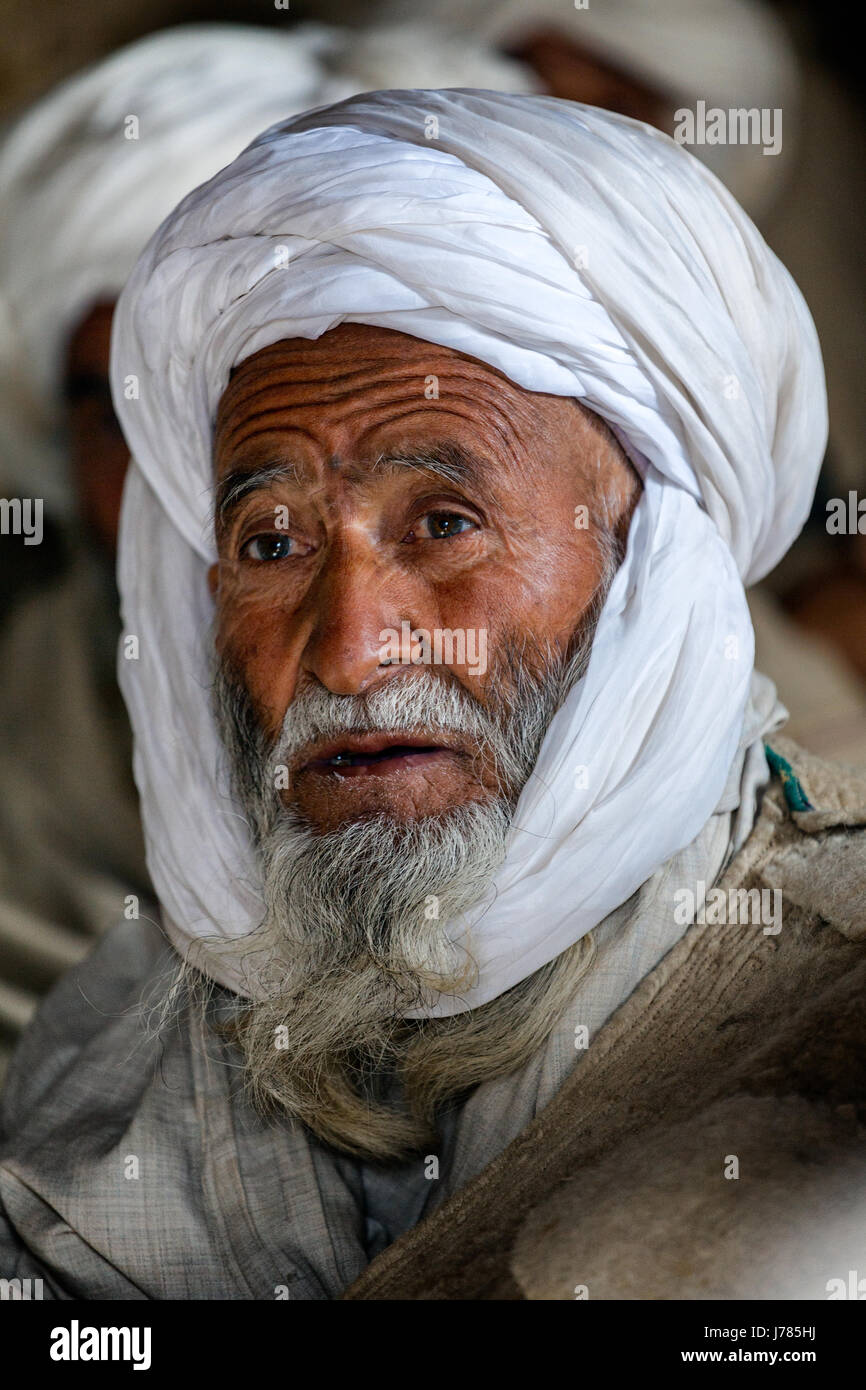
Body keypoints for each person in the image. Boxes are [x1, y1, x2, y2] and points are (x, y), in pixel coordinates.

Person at [2, 86, 865, 1302]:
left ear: (652, 570)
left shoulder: (830, 999)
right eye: (270, 541)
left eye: (445, 523)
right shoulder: (118, 1052)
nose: (349, 651)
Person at [0, 22, 532, 1075]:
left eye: (244, 393)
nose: (191, 476)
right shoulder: (28, 720)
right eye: (121, 408)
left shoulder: (635, 711)